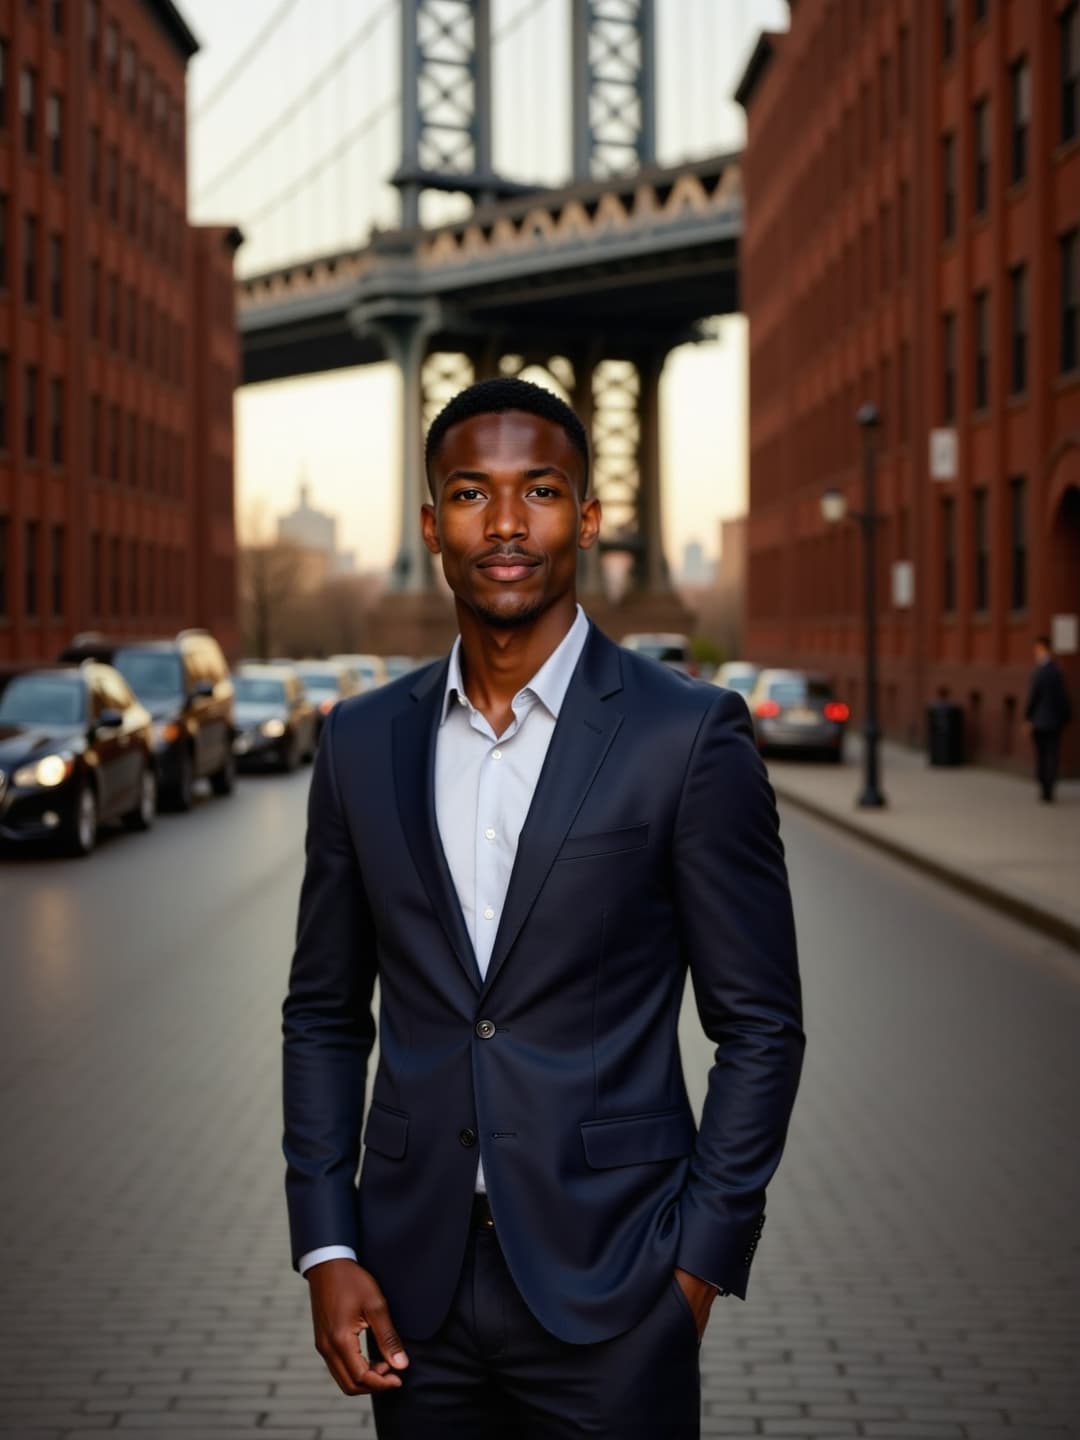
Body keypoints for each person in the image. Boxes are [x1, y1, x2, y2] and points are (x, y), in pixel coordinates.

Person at [282, 376, 804, 1438]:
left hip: (617, 1285)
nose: (508, 525)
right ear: (431, 523)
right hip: (409, 1289)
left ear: (590, 516)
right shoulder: (359, 742)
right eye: (473, 493)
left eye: (543, 492)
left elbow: (760, 1027)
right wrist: (328, 1244)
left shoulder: (687, 736)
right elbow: (324, 1016)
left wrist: (697, 1269)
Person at [1023, 635, 1072, 802]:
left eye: (1037, 649)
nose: (1035, 653)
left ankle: (1044, 788)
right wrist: (1066, 717)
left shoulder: (1040, 672)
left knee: (1042, 755)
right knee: (1052, 755)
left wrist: (1028, 718)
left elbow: (1033, 697)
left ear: (1044, 649)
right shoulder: (1057, 671)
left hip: (1040, 721)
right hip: (1054, 722)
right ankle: (1049, 789)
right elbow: (1063, 698)